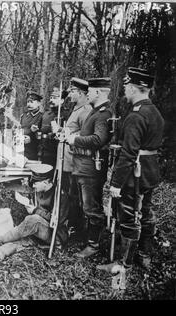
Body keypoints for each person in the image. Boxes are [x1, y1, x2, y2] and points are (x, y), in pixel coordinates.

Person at [97, 68, 164, 272]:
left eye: (127, 87)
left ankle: (123, 264)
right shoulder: (154, 111)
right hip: (150, 172)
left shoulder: (136, 115)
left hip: (135, 174)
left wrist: (116, 183)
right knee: (145, 213)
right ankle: (144, 255)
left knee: (129, 216)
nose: (125, 91)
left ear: (134, 89)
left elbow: (129, 153)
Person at [66, 78, 112, 259]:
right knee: (85, 206)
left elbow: (98, 140)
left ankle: (93, 245)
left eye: (91, 91)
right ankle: (85, 237)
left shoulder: (103, 114)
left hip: (91, 169)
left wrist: (74, 139)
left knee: (92, 208)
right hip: (83, 167)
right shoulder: (95, 112)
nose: (88, 94)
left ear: (99, 93)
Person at [0, 164, 69, 260]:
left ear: (45, 182)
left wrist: (35, 210)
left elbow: (56, 221)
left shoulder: (60, 196)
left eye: (36, 183)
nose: (33, 185)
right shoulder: (40, 190)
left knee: (32, 220)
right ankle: (1, 252)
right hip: (40, 232)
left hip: (56, 235)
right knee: (22, 240)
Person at [52, 78, 93, 241]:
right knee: (69, 195)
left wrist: (66, 135)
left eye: (73, 91)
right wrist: (61, 130)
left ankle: (77, 229)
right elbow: (71, 131)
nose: (69, 95)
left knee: (75, 197)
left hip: (74, 162)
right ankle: (70, 225)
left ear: (82, 93)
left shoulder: (86, 111)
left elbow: (85, 136)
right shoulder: (76, 109)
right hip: (66, 160)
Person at [20, 90, 44, 160]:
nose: (29, 104)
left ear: (39, 103)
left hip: (34, 150)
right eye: (28, 102)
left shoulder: (42, 116)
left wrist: (32, 136)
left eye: (31, 102)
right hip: (22, 149)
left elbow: (41, 135)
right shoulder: (23, 116)